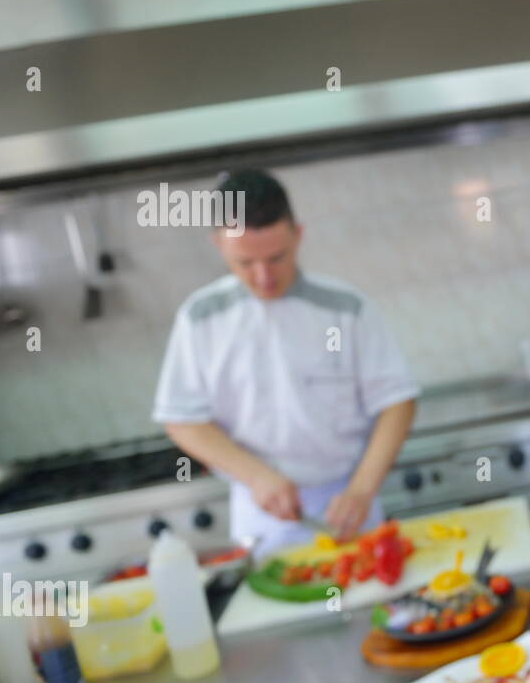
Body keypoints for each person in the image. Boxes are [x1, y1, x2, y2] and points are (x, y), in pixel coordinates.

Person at [153, 170, 418, 557]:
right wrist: (256, 476)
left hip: (350, 501)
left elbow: (397, 402)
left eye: (276, 258)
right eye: (245, 262)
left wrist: (362, 488)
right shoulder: (199, 318)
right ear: (218, 245)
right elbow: (181, 419)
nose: (263, 277)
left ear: (298, 234)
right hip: (261, 512)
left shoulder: (347, 308)